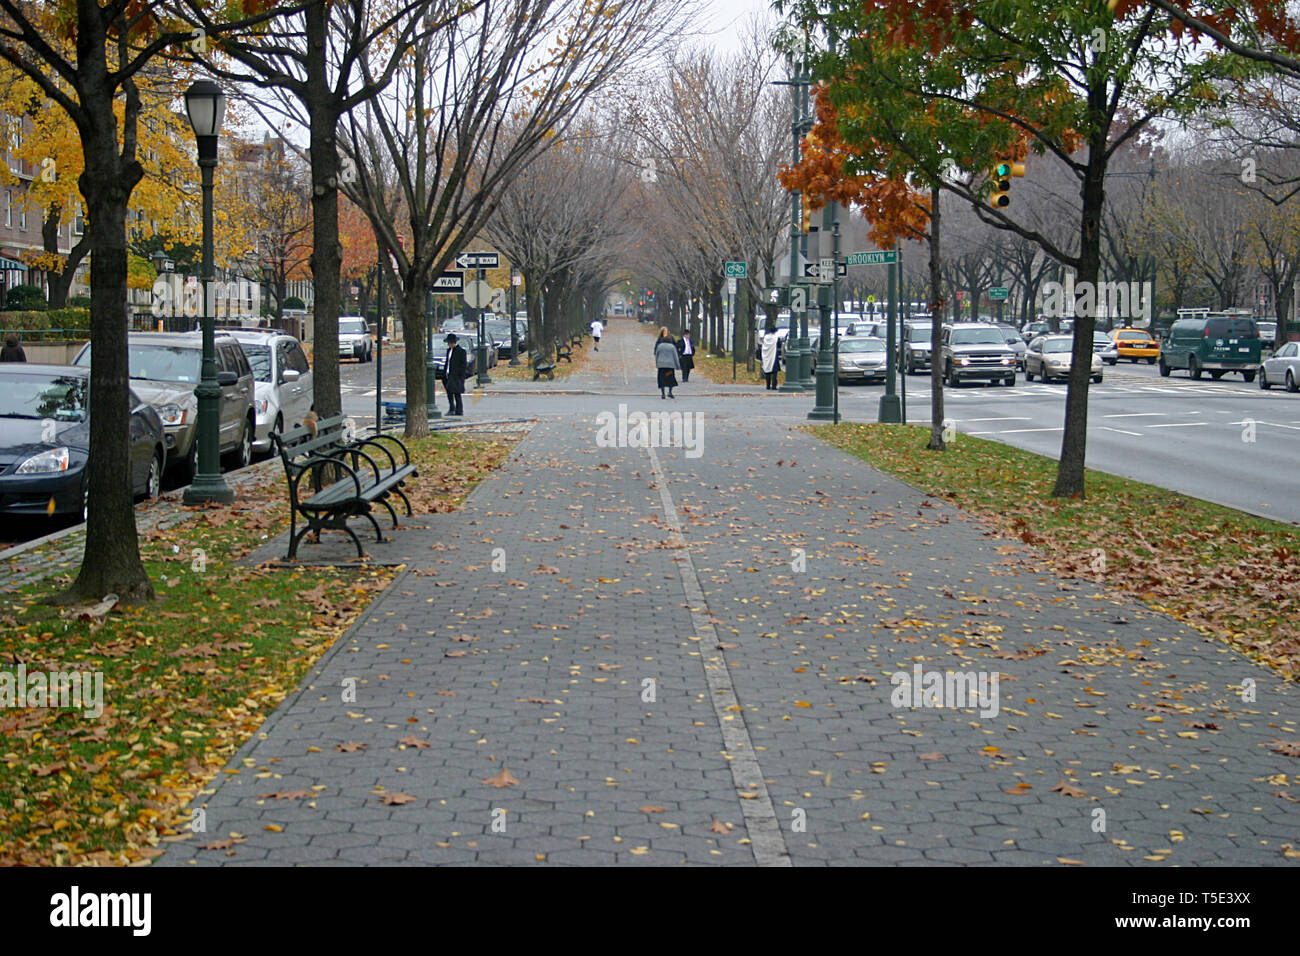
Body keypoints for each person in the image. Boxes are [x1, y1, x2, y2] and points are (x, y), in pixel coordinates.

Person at [443, 333, 467, 416]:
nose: (449, 344)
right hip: (448, 375)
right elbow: (447, 363)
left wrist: (459, 375)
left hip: (456, 376)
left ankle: (459, 410)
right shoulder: (448, 351)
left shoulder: (461, 351)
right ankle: (451, 408)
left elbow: (463, 365)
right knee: (449, 393)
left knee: (457, 393)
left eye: (450, 343)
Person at [654, 326, 680, 399]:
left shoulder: (660, 346)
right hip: (670, 366)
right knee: (670, 378)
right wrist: (677, 366)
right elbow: (675, 357)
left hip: (661, 366)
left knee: (662, 379)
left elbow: (657, 355)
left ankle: (663, 393)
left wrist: (657, 364)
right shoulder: (672, 347)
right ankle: (670, 392)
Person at [758, 321, 783, 390]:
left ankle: (768, 385)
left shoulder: (765, 337)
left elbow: (762, 345)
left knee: (767, 371)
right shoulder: (776, 338)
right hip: (774, 355)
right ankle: (774, 385)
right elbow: (779, 345)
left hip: (767, 355)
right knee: (774, 372)